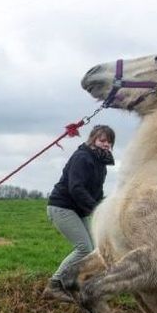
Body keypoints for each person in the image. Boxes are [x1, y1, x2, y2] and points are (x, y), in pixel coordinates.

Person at [43, 124, 115, 301]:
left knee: (93, 250)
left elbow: (95, 192)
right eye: (102, 140)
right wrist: (96, 210)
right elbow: (76, 188)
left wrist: (107, 206)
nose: (106, 144)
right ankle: (54, 286)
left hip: (77, 210)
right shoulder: (83, 157)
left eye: (110, 142)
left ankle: (75, 282)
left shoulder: (100, 164)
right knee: (84, 248)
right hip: (62, 207)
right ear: (93, 140)